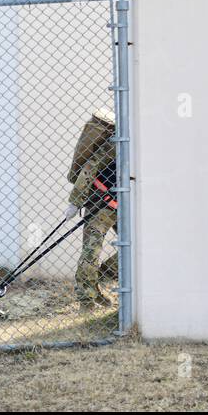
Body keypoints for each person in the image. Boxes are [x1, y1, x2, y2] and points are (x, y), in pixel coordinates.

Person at [65, 108, 118, 310]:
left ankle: (102, 275)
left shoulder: (142, 138)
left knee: (137, 247)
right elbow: (90, 167)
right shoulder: (114, 142)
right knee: (90, 252)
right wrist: (75, 201)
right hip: (101, 204)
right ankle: (87, 300)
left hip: (128, 206)